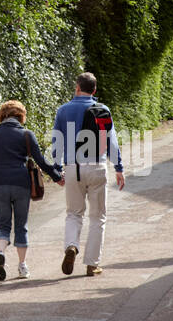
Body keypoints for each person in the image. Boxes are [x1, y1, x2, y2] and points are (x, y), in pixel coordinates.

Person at [52, 71, 124, 277]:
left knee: (73, 213)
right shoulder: (102, 110)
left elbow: (57, 141)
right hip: (97, 166)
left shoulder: (63, 110)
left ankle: (71, 245)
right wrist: (119, 168)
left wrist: (56, 169)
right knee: (97, 216)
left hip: (72, 166)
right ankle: (92, 264)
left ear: (77, 88)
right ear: (94, 90)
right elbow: (111, 141)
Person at [0, 100, 64, 281]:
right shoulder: (26, 135)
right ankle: (22, 267)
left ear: (2, 115)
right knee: (21, 225)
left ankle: (1, 254)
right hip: (21, 183)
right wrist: (57, 177)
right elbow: (41, 161)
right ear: (21, 116)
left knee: (3, 225)